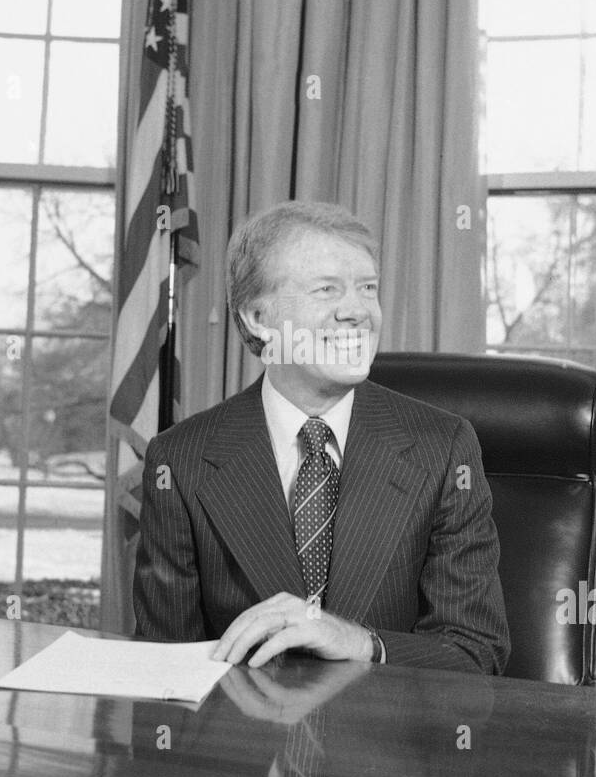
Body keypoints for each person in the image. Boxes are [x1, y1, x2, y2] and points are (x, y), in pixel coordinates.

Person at [133, 200, 509, 672]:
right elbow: (163, 672)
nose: (356, 311)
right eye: (326, 289)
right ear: (257, 317)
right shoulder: (180, 460)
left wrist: (361, 642)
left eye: (367, 288)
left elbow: (476, 653)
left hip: (384, 737)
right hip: (243, 739)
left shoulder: (444, 447)